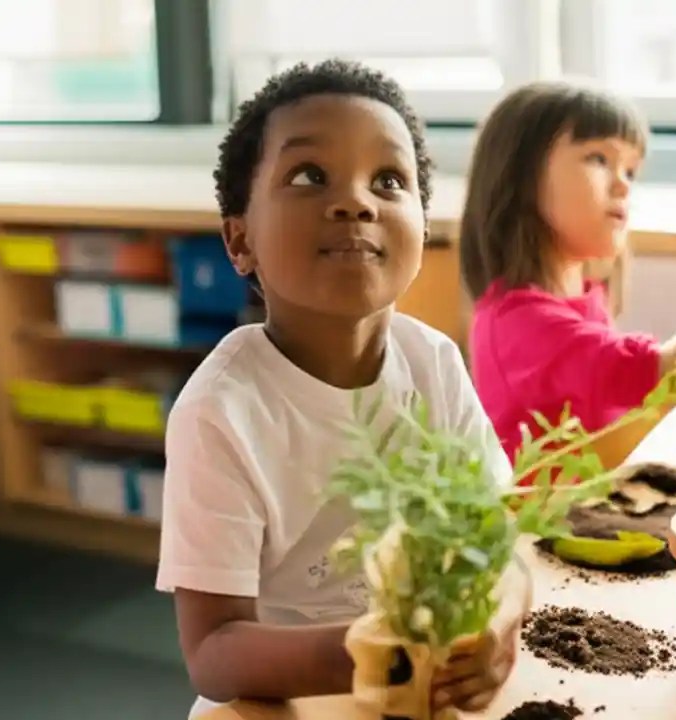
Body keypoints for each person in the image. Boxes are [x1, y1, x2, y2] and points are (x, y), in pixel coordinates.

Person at [154, 60, 517, 718]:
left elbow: (496, 536)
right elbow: (212, 650)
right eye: (309, 176)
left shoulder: (433, 361)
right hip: (274, 703)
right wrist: (369, 654)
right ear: (240, 240)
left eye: (388, 179)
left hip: (421, 692)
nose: (356, 201)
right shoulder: (220, 411)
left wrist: (495, 631)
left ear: (423, 224)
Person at [460, 82, 676, 472]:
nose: (623, 183)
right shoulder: (521, 325)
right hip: (545, 525)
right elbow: (666, 375)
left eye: (630, 170)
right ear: (519, 176)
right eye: (598, 159)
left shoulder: (583, 298)